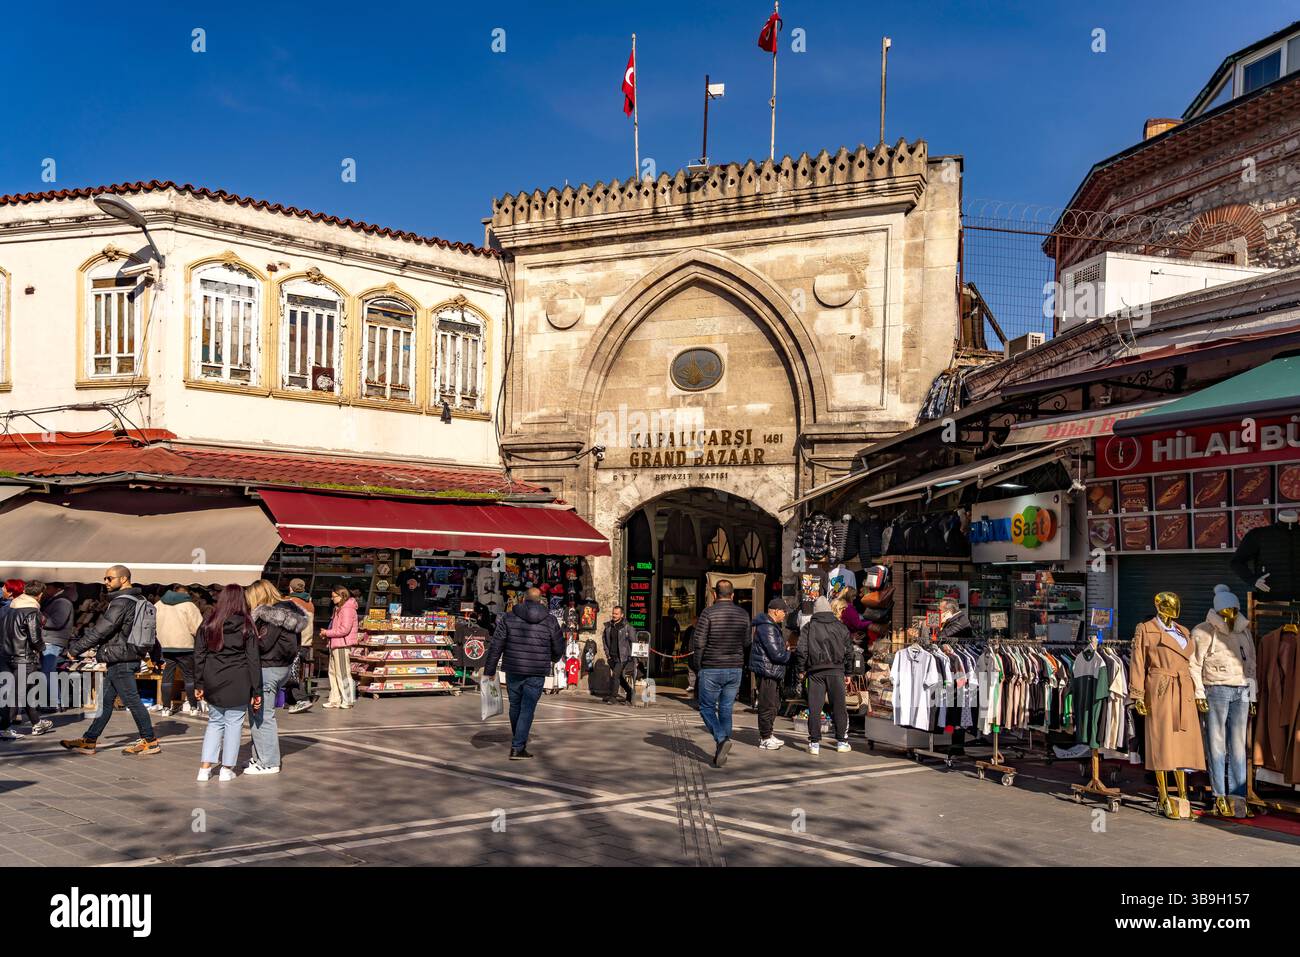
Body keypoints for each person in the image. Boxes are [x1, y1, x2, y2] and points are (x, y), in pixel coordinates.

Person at [60, 566, 161, 756]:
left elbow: (102, 629)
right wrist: (156, 656)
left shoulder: (121, 602)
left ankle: (150, 740)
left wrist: (75, 649)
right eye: (105, 578)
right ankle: (89, 740)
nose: (105, 582)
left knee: (132, 700)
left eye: (109, 578)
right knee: (106, 701)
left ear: (123, 579)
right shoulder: (141, 600)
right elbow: (152, 634)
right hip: (125, 656)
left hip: (121, 658)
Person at [482, 586, 564, 760]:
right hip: (537, 670)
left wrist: (489, 670)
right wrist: (554, 659)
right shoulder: (550, 621)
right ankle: (518, 746)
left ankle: (518, 740)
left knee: (516, 706)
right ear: (541, 600)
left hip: (514, 668)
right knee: (527, 708)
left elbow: (496, 645)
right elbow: (558, 646)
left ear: (523, 599)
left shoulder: (508, 618)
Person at [194, 585, 262, 782]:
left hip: (213, 677)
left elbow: (199, 654)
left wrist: (198, 683)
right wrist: (257, 690)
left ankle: (204, 769)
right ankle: (226, 768)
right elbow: (253, 659)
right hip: (239, 679)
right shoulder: (247, 625)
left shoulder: (209, 623)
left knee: (214, 723)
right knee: (234, 724)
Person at [243, 579, 308, 775]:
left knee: (263, 714)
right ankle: (259, 756)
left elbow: (263, 644)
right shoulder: (289, 613)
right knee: (258, 713)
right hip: (281, 667)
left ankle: (269, 761)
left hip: (268, 667)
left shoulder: (270, 616)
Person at [691, 580, 753, 767]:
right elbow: (747, 642)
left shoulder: (708, 613)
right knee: (726, 708)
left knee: (706, 708)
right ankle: (722, 746)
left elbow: (699, 642)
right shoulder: (743, 614)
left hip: (711, 666)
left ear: (715, 594)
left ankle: (721, 739)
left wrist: (697, 665)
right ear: (732, 595)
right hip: (735, 667)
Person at [796, 596, 851, 756]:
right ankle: (842, 741)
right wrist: (848, 672)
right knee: (839, 707)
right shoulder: (841, 627)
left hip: (815, 672)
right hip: (836, 671)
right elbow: (849, 651)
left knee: (815, 708)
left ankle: (814, 744)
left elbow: (801, 650)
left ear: (815, 611)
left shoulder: (808, 627)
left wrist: (801, 669)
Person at [0, 580, 53, 738]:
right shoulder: (32, 611)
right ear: (40, 595)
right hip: (24, 658)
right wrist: (42, 649)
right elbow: (35, 639)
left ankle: (37, 723)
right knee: (17, 694)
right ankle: (4, 727)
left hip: (5, 655)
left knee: (22, 691)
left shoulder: (7, 608)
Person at [153, 584, 202, 716]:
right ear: (185, 593)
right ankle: (193, 707)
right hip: (185, 646)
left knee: (167, 677)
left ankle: (166, 708)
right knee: (188, 676)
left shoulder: (158, 604)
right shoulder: (189, 605)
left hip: (164, 646)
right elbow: (198, 628)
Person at [750, 597, 792, 751]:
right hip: (767, 671)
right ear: (776, 611)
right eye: (784, 612)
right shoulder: (767, 627)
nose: (785, 615)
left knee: (773, 704)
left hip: (771, 671)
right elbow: (776, 655)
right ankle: (765, 738)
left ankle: (769, 734)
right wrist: (787, 653)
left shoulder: (770, 626)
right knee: (767, 705)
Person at [936, 598, 972, 756]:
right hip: (954, 664)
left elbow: (941, 637)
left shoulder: (960, 621)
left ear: (948, 611)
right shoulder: (955, 620)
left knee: (958, 702)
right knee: (953, 703)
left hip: (959, 666)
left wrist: (938, 625)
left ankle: (957, 744)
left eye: (941, 610)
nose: (939, 613)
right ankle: (952, 740)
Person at [319, 585, 358, 709]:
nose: (332, 599)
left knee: (343, 673)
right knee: (333, 672)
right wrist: (327, 633)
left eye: (334, 596)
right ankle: (335, 699)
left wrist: (327, 633)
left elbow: (344, 630)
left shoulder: (347, 609)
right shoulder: (339, 608)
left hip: (342, 644)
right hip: (335, 643)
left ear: (342, 596)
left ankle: (347, 699)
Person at [283, 579, 317, 714]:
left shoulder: (290, 602)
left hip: (295, 642)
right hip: (306, 643)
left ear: (290, 588)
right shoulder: (310, 602)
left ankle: (302, 699)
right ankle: (290, 700)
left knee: (292, 673)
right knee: (295, 671)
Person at [41, 583, 77, 711]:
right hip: (51, 640)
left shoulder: (62, 602)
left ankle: (55, 702)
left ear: (57, 589)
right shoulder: (56, 601)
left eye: (48, 587)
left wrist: (40, 619)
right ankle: (53, 702)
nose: (45, 590)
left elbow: (57, 622)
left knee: (48, 672)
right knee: (48, 672)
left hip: (53, 641)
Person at [601, 605, 636, 705]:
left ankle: (613, 697)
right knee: (619, 677)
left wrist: (634, 659)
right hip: (612, 656)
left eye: (616, 614)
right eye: (613, 613)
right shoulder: (608, 627)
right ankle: (629, 692)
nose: (614, 615)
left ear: (622, 615)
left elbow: (634, 642)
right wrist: (607, 654)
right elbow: (604, 640)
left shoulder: (627, 627)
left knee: (615, 675)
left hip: (623, 657)